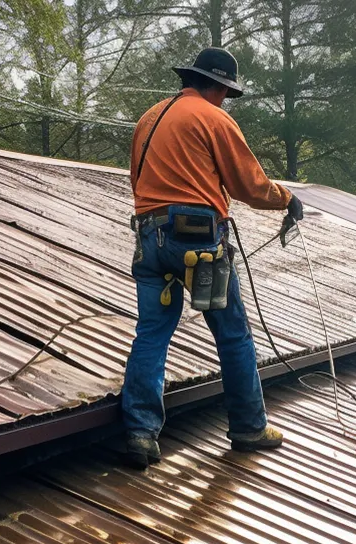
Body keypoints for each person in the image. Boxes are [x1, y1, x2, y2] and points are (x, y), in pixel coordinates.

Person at [122, 46, 304, 469]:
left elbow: (137, 180)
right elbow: (249, 185)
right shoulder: (213, 117)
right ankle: (248, 427)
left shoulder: (149, 119)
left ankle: (141, 434)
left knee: (151, 333)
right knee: (232, 333)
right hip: (198, 240)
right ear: (219, 87)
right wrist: (287, 199)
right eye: (226, 91)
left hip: (149, 239)